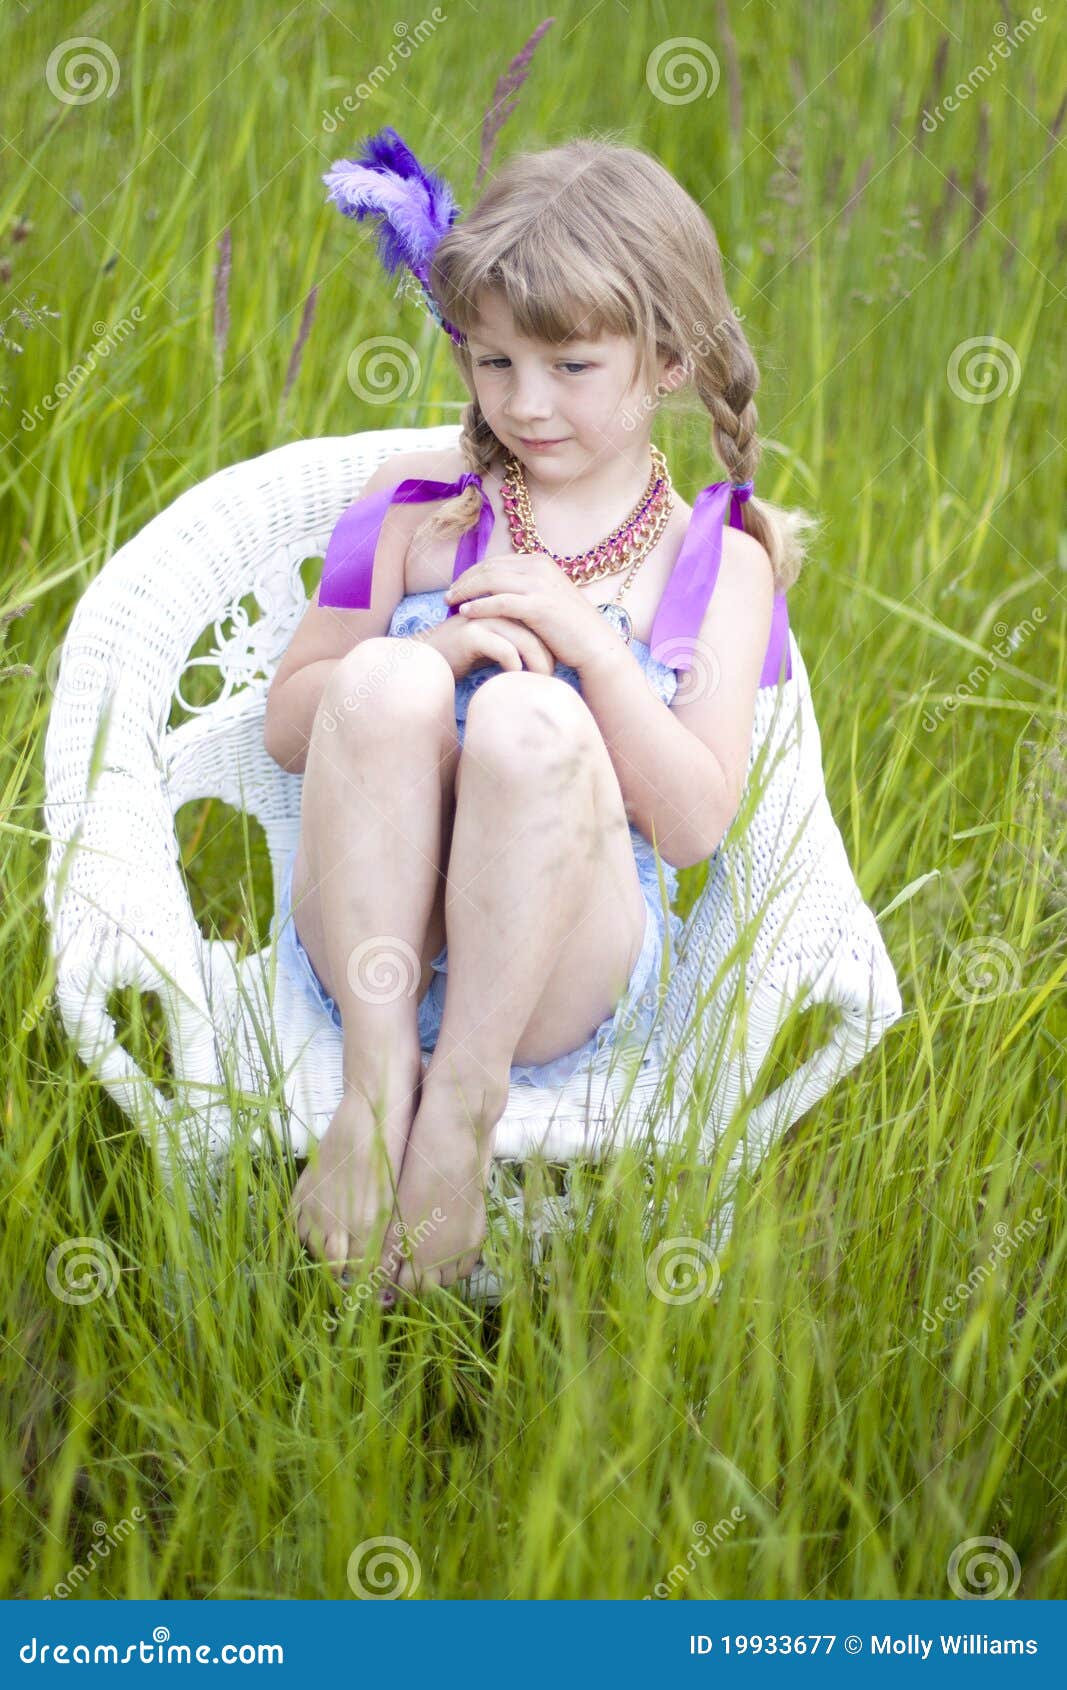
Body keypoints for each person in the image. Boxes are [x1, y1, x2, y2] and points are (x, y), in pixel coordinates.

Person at [263, 129, 815, 1299]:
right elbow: (291, 724)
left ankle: (462, 1104)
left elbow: (692, 826)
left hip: (555, 977)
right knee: (388, 678)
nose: (524, 402)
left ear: (667, 361)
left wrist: (588, 647)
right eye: (494, 360)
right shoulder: (412, 508)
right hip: (373, 952)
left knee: (530, 719)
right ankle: (374, 1092)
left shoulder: (712, 562)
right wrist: (435, 642)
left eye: (570, 366)